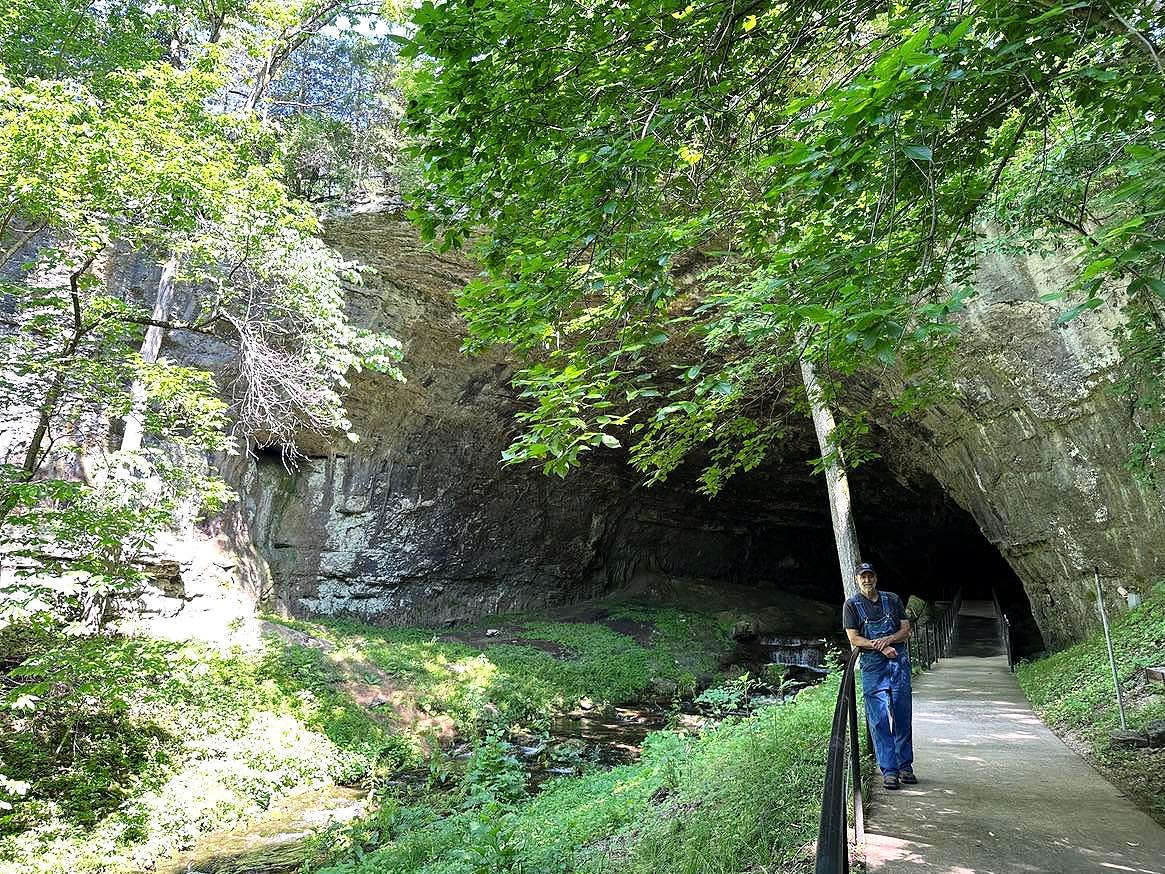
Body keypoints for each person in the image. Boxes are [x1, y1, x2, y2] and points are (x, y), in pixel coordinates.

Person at [842, 562, 915, 790]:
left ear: (875, 577)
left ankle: (906, 766)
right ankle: (889, 770)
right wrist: (880, 646)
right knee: (879, 719)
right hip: (873, 668)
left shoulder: (892, 600)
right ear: (856, 580)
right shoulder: (851, 605)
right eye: (862, 577)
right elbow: (854, 638)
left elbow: (906, 630)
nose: (867, 580)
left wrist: (889, 640)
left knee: (902, 716)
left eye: (870, 575)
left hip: (898, 665)